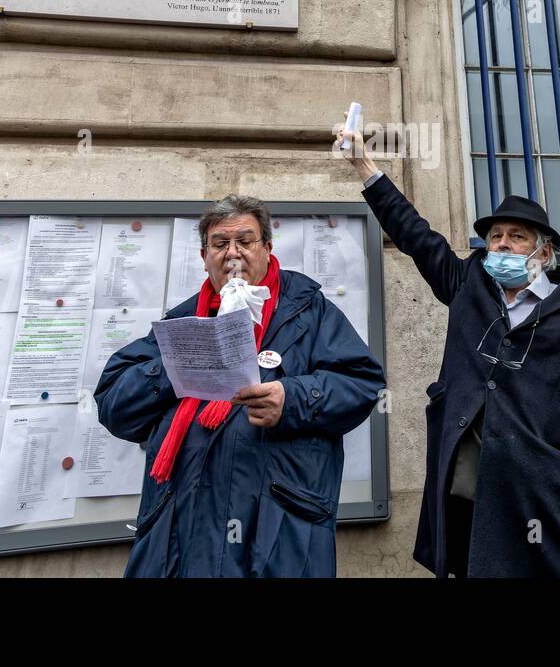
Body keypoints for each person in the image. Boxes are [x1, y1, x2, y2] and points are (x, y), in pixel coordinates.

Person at [335, 119, 560, 577]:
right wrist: (365, 165)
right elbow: (415, 234)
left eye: (516, 236)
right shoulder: (468, 286)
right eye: (495, 235)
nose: (501, 244)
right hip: (465, 493)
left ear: (544, 251)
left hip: (543, 498)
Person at [95, 194, 385, 577]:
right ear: (204, 257)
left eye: (245, 242)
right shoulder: (182, 321)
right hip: (178, 539)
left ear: (266, 248)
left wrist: (293, 398)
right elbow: (114, 404)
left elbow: (362, 384)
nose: (232, 253)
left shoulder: (309, 312)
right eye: (220, 244)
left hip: (279, 535)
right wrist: (179, 366)